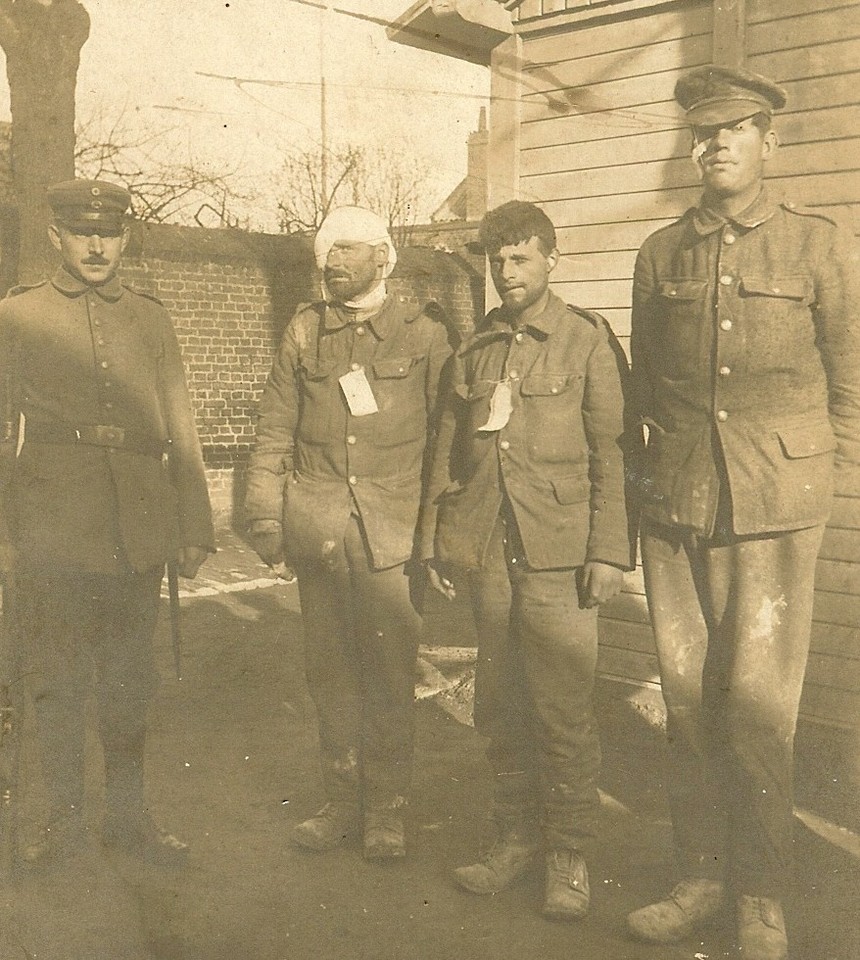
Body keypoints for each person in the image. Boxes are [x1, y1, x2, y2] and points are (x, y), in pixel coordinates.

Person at [625, 66, 860, 960]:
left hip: (776, 508)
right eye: (703, 131)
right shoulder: (661, 253)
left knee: (760, 709)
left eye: (736, 129)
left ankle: (761, 894)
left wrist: (822, 492)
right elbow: (649, 386)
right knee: (689, 702)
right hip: (679, 503)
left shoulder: (818, 246)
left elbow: (851, 388)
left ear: (772, 142)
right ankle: (700, 877)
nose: (716, 144)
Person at [422, 200, 634, 920]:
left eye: (520, 259)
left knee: (563, 710)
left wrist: (609, 550)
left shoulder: (585, 342)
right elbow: (451, 457)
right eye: (497, 260)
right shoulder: (477, 351)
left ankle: (568, 854)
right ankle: (514, 841)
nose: (507, 273)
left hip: (560, 558)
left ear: (551, 260)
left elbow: (611, 453)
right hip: (489, 555)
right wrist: (441, 541)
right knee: (500, 704)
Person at [0, 179, 214, 866]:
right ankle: (62, 822)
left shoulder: (150, 318)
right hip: (53, 524)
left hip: (136, 527)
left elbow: (180, 422)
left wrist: (193, 524)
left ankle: (128, 818)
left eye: (110, 232)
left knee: (128, 683)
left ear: (125, 237)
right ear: (56, 237)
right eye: (82, 231)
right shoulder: (20, 314)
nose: (97, 245)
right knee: (57, 681)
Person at [244, 206, 451, 860]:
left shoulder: (425, 337)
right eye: (328, 251)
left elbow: (446, 446)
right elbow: (275, 429)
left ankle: (386, 811)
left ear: (383, 259)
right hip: (321, 533)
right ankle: (340, 802)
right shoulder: (307, 331)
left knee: (389, 677)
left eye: (349, 251)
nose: (333, 262)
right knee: (329, 674)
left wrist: (435, 538)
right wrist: (266, 517)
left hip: (390, 539)